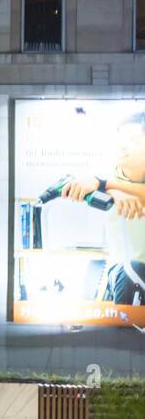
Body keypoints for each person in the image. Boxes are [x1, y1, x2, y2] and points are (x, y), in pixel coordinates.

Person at [61, 112, 145, 303]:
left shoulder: (103, 181)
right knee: (132, 271)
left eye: (133, 140)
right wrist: (109, 190)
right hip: (123, 269)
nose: (123, 146)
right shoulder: (101, 175)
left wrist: (107, 186)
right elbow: (68, 184)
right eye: (120, 139)